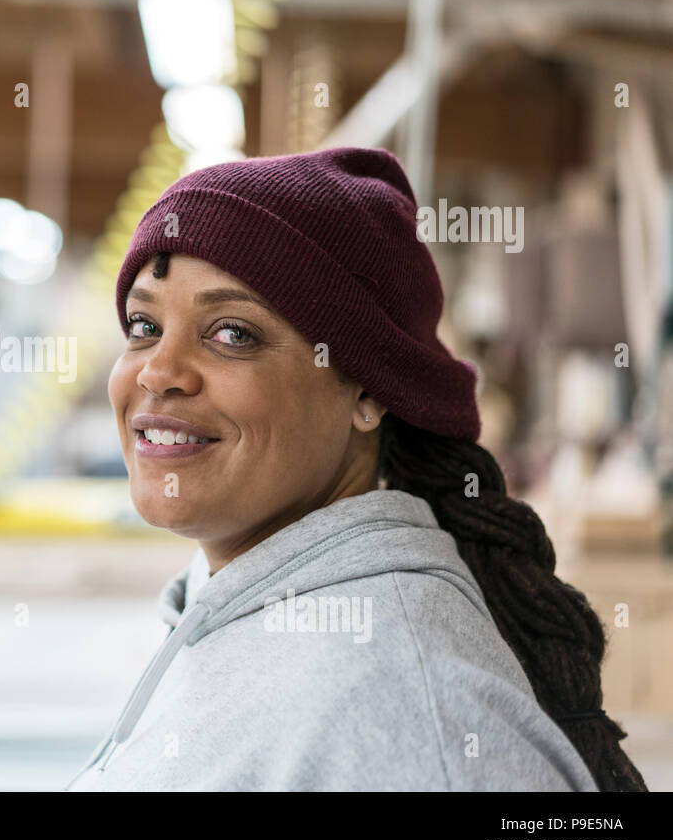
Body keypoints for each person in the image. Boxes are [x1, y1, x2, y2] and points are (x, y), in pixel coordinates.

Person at [65, 147, 647, 791]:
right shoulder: (241, 612)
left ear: (368, 392)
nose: (157, 371)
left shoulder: (409, 713)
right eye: (144, 325)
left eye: (232, 334)